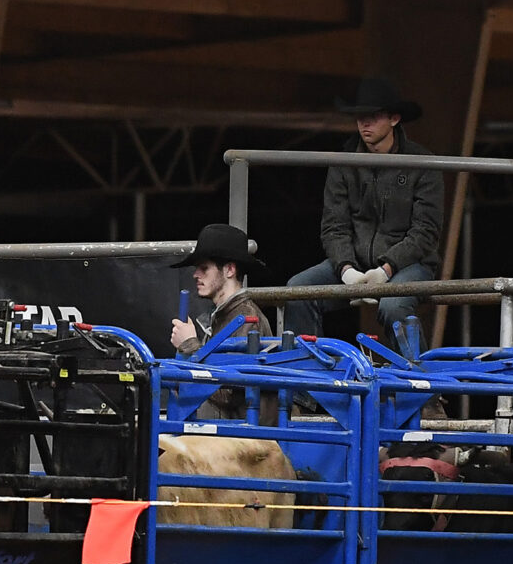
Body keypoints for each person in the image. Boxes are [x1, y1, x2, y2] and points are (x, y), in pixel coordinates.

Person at [283, 79, 444, 350]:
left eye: (373, 116)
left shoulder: (422, 164)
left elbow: (425, 233)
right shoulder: (343, 162)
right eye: (360, 117)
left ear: (394, 119)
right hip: (354, 264)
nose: (364, 123)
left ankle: (419, 387)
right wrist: (346, 269)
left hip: (409, 265)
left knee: (394, 306)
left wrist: (386, 268)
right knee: (298, 291)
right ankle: (307, 385)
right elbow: (334, 226)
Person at [169, 223, 275, 423]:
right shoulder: (225, 316)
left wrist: (190, 346)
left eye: (204, 268)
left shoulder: (247, 318)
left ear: (229, 270)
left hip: (243, 435)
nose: (195, 275)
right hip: (234, 430)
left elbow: (227, 393)